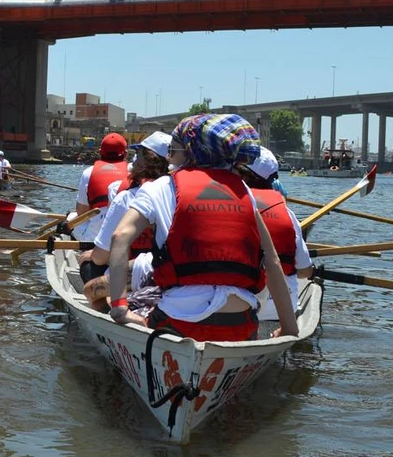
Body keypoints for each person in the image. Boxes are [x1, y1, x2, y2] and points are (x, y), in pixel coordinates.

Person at [88, 113, 298, 341]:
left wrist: (120, 308)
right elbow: (272, 260)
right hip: (240, 323)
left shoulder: (160, 187)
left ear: (190, 152)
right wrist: (289, 328)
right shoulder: (242, 189)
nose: (169, 157)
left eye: (173, 150)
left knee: (129, 301)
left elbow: (120, 236)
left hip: (179, 324)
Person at [76, 131, 171, 311]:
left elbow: (101, 257)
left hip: (139, 274)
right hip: (169, 272)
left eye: (139, 154)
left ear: (142, 162)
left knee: (89, 265)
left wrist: (91, 255)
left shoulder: (125, 197)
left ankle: (105, 312)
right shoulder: (178, 196)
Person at [238, 147, 311, 321]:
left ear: (244, 176)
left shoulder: (228, 207)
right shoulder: (287, 213)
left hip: (240, 306)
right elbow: (305, 272)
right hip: (280, 310)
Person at [73, 133, 131, 239]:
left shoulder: (88, 173)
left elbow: (81, 212)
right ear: (126, 154)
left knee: (72, 218)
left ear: (100, 152)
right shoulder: (133, 173)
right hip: (124, 237)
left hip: (95, 237)